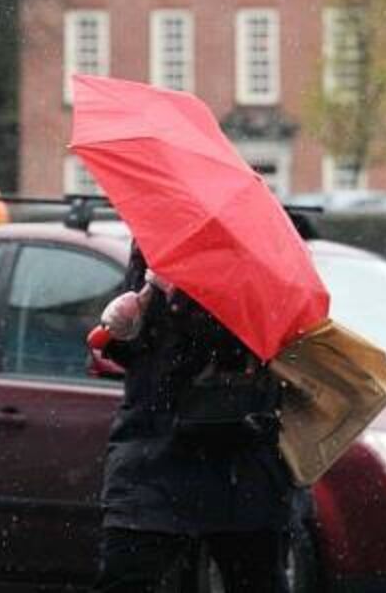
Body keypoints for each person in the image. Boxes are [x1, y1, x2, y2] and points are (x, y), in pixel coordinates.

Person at [90, 244, 295, 593]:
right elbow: (142, 357)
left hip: (238, 455)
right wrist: (124, 323)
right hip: (153, 450)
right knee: (126, 576)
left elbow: (260, 342)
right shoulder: (155, 241)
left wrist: (184, 302)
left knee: (254, 576)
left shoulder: (256, 252)